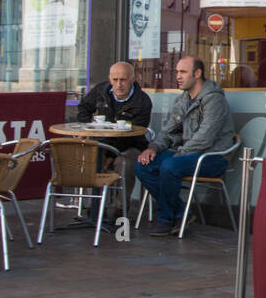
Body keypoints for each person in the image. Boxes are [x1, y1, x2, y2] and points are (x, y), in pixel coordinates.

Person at [135, 56, 233, 235]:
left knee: (170, 165)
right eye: (176, 72)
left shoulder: (214, 100)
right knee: (143, 165)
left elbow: (204, 139)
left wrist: (178, 155)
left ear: (197, 73)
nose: (177, 76)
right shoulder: (182, 100)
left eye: (182, 72)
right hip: (188, 155)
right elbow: (168, 131)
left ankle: (166, 219)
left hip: (212, 157)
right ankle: (181, 213)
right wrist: (153, 148)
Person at [76, 62, 152, 212]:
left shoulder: (142, 101)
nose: (119, 84)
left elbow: (132, 134)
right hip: (103, 143)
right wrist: (87, 127)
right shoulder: (100, 91)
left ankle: (120, 207)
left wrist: (110, 155)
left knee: (127, 162)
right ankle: (95, 206)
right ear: (110, 79)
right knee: (93, 156)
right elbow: (83, 108)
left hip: (131, 145)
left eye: (123, 80)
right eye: (115, 80)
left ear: (132, 79)